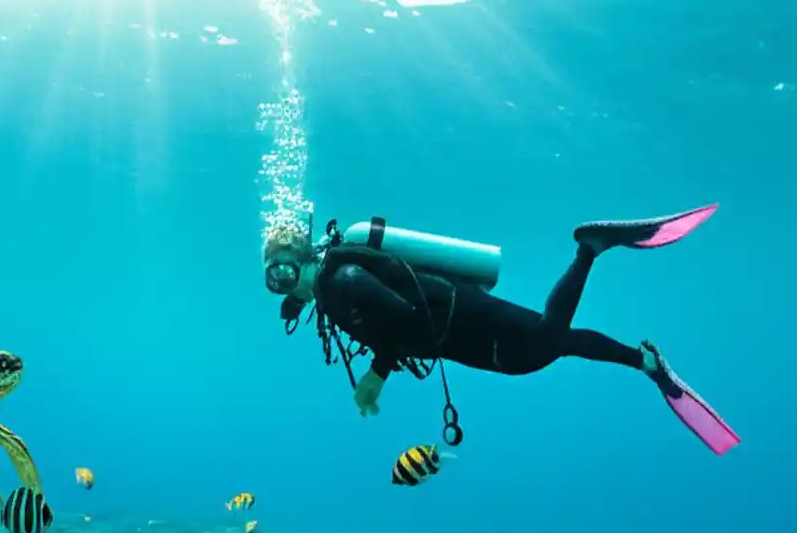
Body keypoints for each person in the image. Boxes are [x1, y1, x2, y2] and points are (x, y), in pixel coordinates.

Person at [262, 205, 740, 455]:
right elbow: (382, 316)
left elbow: (403, 320)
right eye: (273, 278)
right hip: (459, 321)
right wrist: (296, 301)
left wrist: (376, 375)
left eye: (286, 271)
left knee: (543, 346)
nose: (283, 283)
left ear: (307, 258)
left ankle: (589, 249)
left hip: (462, 322)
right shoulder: (327, 288)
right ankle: (646, 362)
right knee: (555, 342)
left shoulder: (341, 280)